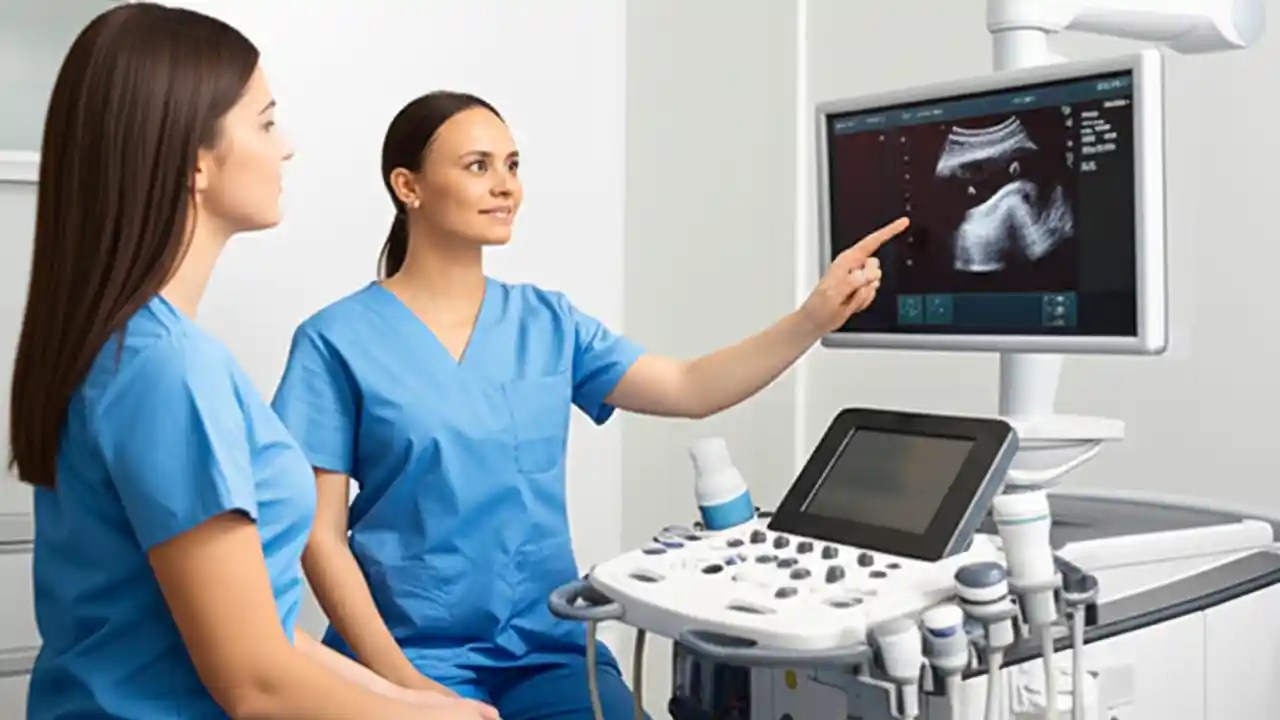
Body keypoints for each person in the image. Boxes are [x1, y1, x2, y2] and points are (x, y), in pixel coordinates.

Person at [270, 90, 906, 718]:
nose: (505, 186)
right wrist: (403, 684)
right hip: (408, 649)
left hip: (547, 644)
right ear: (408, 186)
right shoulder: (337, 340)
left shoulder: (547, 322)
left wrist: (812, 317)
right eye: (478, 166)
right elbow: (320, 539)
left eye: (512, 165)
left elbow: (689, 386)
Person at [7, 7, 498, 719]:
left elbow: (261, 637)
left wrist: (420, 699)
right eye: (267, 123)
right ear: (194, 161)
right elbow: (256, 682)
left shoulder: (135, 348)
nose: (288, 146)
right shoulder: (167, 372)